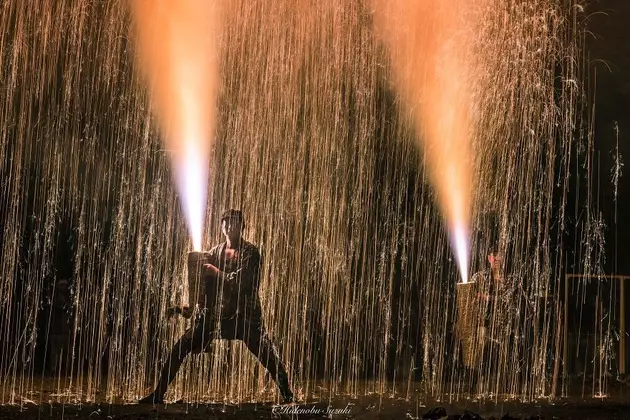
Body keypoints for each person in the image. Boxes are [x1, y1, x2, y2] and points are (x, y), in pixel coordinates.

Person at [139, 209, 294, 404]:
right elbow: (202, 285)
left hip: (244, 317)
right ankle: (158, 394)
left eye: (235, 222)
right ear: (221, 227)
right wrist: (189, 306)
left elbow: (243, 283)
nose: (230, 226)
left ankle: (288, 394)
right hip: (216, 317)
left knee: (267, 355)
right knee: (181, 347)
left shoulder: (250, 253)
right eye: (226, 223)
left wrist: (216, 272)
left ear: (242, 226)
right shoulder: (214, 252)